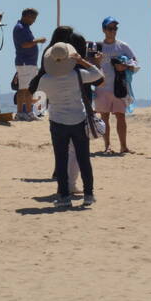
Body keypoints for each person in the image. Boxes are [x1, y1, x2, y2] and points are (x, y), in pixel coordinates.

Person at [36, 42, 104, 207]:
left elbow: (39, 100)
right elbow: (98, 74)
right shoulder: (78, 74)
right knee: (83, 158)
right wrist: (82, 60)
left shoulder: (45, 79)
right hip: (78, 119)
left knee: (61, 159)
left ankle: (64, 195)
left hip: (57, 121)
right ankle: (88, 194)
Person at [92, 16, 138, 154]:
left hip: (119, 87)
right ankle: (107, 146)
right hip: (101, 87)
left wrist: (124, 66)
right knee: (104, 117)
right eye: (110, 28)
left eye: (115, 28)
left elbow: (135, 62)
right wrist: (97, 61)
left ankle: (123, 146)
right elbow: (89, 66)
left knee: (120, 116)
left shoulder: (123, 46)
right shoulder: (97, 46)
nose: (112, 31)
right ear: (103, 30)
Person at [12, 9, 45, 122]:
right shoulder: (20, 28)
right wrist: (38, 41)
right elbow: (24, 45)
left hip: (29, 63)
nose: (33, 21)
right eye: (32, 18)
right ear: (26, 16)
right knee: (23, 89)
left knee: (29, 89)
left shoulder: (24, 28)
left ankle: (29, 113)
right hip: (24, 62)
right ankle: (21, 113)